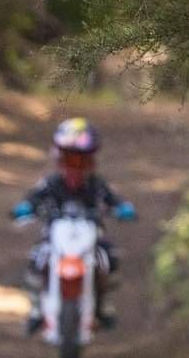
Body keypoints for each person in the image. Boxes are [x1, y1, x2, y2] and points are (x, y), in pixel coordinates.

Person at [13, 117, 136, 331]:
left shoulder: (97, 185)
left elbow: (113, 199)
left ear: (90, 162)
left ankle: (103, 305)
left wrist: (122, 208)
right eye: (70, 159)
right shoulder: (51, 183)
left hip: (90, 236)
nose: (75, 166)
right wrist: (26, 207)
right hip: (57, 236)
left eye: (81, 161)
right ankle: (36, 308)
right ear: (60, 159)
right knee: (37, 258)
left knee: (108, 258)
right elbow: (34, 197)